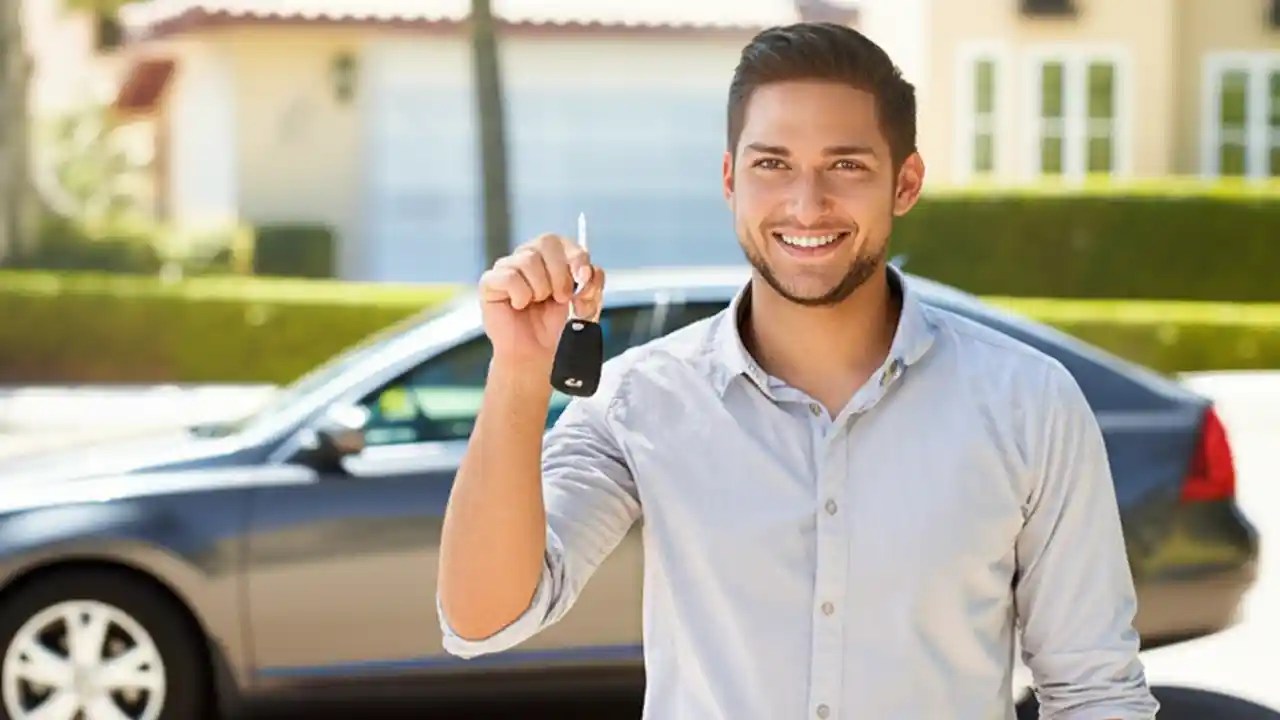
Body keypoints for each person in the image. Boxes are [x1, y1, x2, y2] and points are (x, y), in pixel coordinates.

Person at [436, 21, 1160, 720]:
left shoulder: (1027, 403)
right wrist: (520, 371)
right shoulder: (639, 402)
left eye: (846, 165)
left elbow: (1095, 691)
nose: (806, 203)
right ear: (730, 178)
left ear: (905, 184)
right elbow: (484, 620)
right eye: (772, 164)